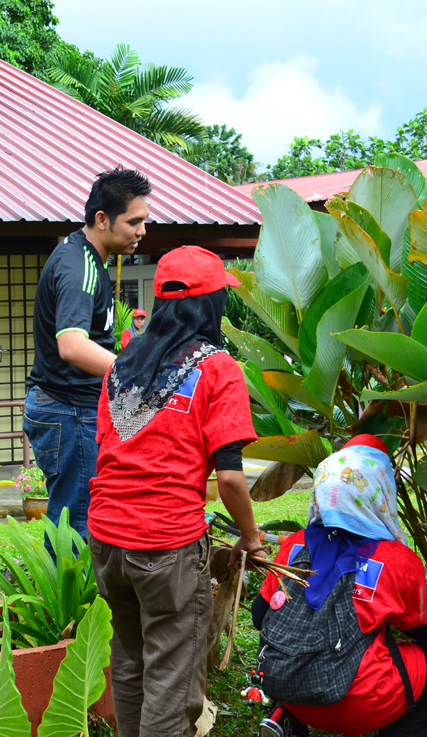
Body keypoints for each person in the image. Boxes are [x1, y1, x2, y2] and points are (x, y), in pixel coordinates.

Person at [87, 245, 263, 737]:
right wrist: (250, 538)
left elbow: (107, 448)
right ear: (211, 305)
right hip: (164, 544)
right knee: (172, 672)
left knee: (130, 656)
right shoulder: (218, 368)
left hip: (106, 539)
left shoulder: (122, 364)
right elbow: (228, 476)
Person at [253, 435, 427, 737]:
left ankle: (285, 718)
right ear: (381, 490)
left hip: (287, 688)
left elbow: (261, 617)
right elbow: (420, 631)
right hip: (363, 704)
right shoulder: (398, 560)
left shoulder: (296, 544)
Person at [24, 168, 151, 549]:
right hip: (68, 410)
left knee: (80, 515)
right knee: (76, 525)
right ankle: (64, 608)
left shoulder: (88, 256)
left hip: (72, 407)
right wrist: (133, 371)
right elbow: (72, 346)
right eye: (134, 221)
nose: (142, 231)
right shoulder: (80, 266)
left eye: (144, 221)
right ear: (102, 219)